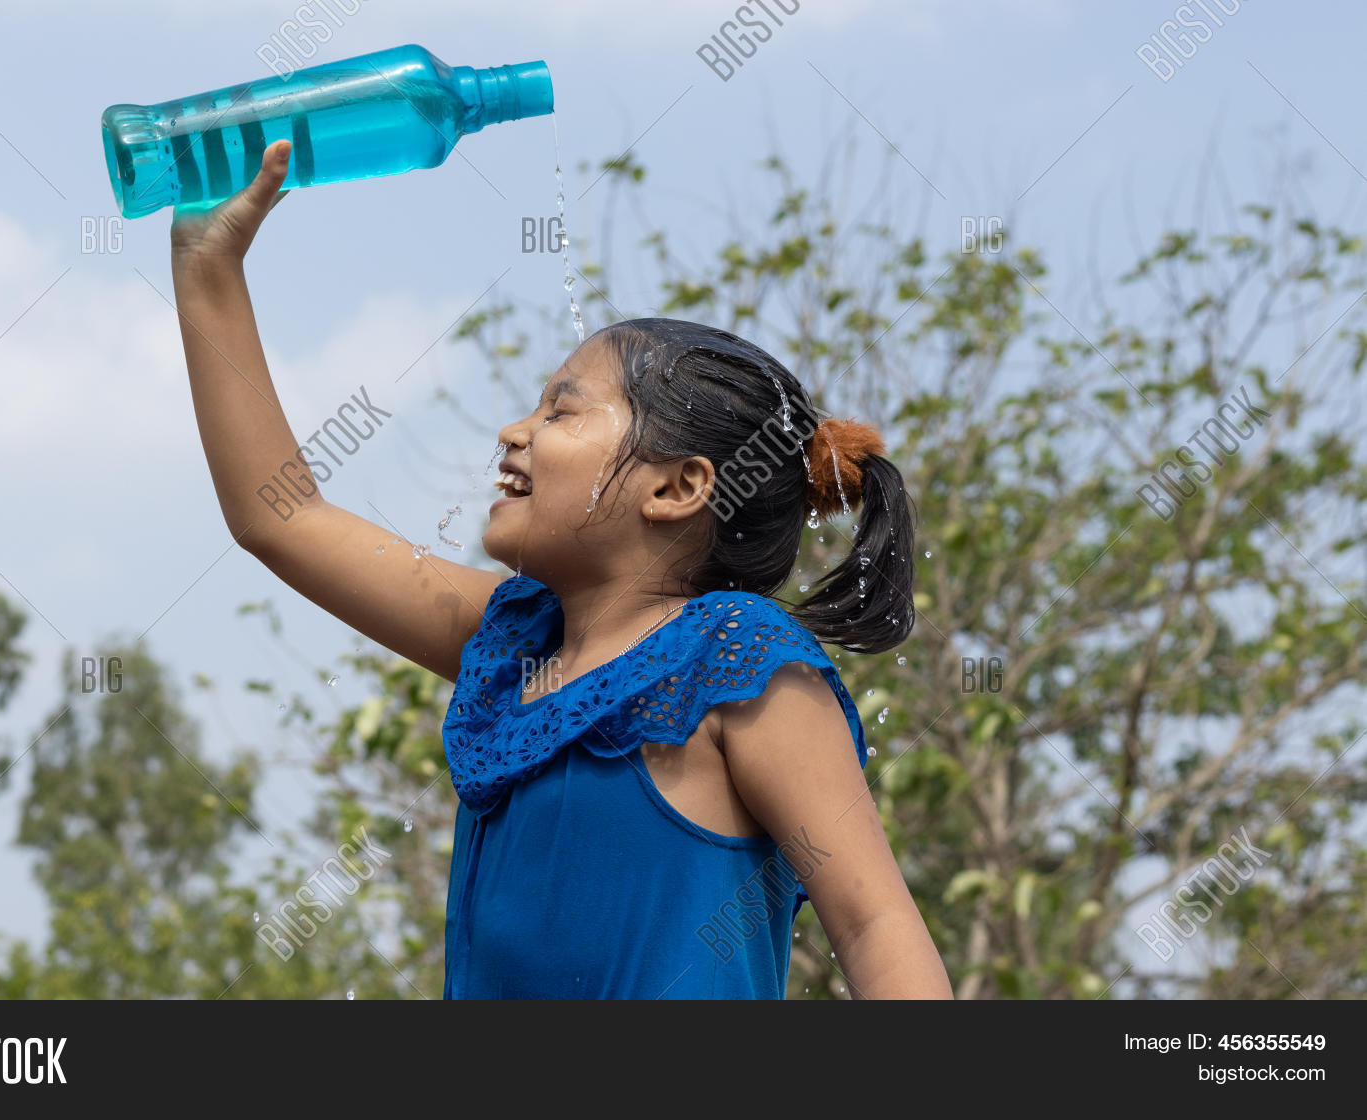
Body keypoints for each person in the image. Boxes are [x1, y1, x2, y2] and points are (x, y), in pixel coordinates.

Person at [170, 138, 953, 999]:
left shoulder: (738, 658)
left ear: (678, 487)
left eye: (560, 410)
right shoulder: (509, 640)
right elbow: (279, 515)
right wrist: (211, 268)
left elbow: (876, 925)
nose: (514, 431)